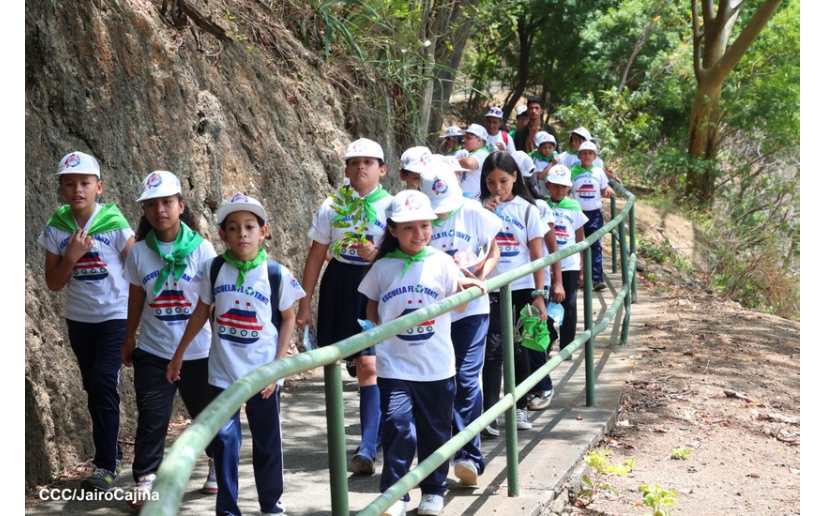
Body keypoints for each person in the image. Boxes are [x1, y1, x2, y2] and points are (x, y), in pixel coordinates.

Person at [167, 193, 305, 516]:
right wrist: (179, 354)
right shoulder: (214, 269)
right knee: (225, 441)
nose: (242, 234)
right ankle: (227, 510)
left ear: (263, 231)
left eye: (249, 226)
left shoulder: (275, 274)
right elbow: (201, 312)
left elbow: (288, 318)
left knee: (267, 442)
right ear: (223, 235)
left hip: (262, 374)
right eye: (233, 227)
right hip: (223, 373)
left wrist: (278, 367)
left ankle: (271, 505)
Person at [358, 190, 484, 516]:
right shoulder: (383, 267)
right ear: (393, 230)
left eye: (424, 226)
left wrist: (469, 289)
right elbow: (371, 306)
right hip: (395, 365)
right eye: (409, 228)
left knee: (435, 431)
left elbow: (459, 303)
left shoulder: (441, 262)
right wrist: (384, 330)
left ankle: (433, 490)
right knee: (398, 426)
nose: (419, 234)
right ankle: (394, 494)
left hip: (436, 366)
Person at [38, 151, 134, 491]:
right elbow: (53, 282)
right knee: (94, 388)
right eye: (69, 184)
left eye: (84, 183)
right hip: (79, 320)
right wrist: (71, 256)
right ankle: (112, 452)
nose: (77, 189)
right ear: (61, 189)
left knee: (103, 381)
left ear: (99, 187)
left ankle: (105, 466)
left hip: (115, 316)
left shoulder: (114, 222)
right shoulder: (57, 227)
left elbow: (137, 269)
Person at [297, 138, 392, 474]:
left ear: (382, 169)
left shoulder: (392, 207)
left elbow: (405, 251)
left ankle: (367, 447)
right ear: (346, 170)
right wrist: (305, 304)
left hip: (376, 284)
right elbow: (316, 255)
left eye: (368, 162)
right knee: (340, 362)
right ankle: (365, 433)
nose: (360, 167)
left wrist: (377, 255)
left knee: (369, 364)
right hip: (339, 282)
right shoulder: (332, 205)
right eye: (353, 162)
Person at [122, 171, 217, 506]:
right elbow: (136, 296)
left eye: (166, 202)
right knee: (152, 416)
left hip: (198, 350)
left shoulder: (202, 250)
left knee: (206, 413)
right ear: (144, 211)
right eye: (151, 204)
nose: (159, 210)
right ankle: (146, 478)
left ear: (181, 205)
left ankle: (217, 462)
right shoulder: (139, 252)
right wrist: (129, 336)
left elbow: (210, 301)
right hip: (154, 348)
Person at [419, 159, 502, 486]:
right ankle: (444, 451)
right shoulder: (418, 220)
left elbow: (493, 251)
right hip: (436, 311)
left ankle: (469, 455)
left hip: (471, 309)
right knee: (444, 383)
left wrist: (481, 276)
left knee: (467, 379)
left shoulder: (473, 212)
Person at [479, 151, 549, 436]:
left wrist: (539, 293)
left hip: (522, 288)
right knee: (493, 350)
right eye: (491, 182)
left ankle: (519, 405)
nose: (498, 188)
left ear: (515, 178)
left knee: (521, 348)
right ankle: (489, 411)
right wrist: (485, 213)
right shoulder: (478, 208)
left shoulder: (527, 210)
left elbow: (537, 254)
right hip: (491, 288)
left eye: (503, 181)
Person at [513, 152, 564, 411]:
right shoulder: (490, 205)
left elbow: (552, 247)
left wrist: (557, 282)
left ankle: (542, 386)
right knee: (515, 344)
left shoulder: (538, 207)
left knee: (531, 337)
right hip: (507, 284)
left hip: (533, 282)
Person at [544, 165, 588, 361]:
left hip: (569, 264)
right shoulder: (542, 206)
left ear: (569, 188)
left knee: (569, 305)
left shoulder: (574, 207)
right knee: (546, 304)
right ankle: (546, 342)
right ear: (548, 185)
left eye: (563, 187)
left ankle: (567, 346)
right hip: (547, 264)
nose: (559, 190)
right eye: (555, 186)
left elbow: (580, 239)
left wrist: (582, 269)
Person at [570, 141, 614, 291]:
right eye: (584, 153)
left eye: (590, 153)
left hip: (594, 213)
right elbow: (567, 190)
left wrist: (607, 190)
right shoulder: (573, 171)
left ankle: (596, 279)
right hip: (577, 213)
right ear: (579, 156)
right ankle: (578, 278)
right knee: (577, 245)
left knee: (595, 245)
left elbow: (604, 188)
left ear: (595, 156)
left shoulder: (599, 171)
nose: (587, 156)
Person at [455, 123, 490, 200]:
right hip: (465, 198)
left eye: (468, 138)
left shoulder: (483, 153)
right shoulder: (472, 153)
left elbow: (469, 163)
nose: (464, 140)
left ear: (480, 141)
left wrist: (452, 161)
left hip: (473, 200)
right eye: (464, 137)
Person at [530, 131, 558, 198]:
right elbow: (540, 176)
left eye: (550, 147)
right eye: (544, 148)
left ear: (554, 148)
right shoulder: (535, 158)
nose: (547, 150)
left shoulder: (556, 157)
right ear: (539, 148)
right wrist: (552, 164)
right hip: (540, 189)